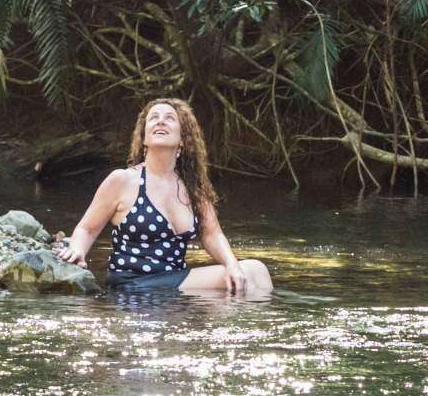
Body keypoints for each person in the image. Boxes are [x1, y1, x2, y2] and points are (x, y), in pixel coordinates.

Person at [55, 98, 273, 298]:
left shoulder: (193, 190)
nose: (161, 122)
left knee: (250, 273)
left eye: (169, 118)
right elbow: (87, 229)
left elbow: (212, 234)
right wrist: (77, 250)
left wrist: (232, 264)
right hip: (132, 284)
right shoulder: (123, 180)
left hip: (173, 287)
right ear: (143, 139)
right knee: (255, 272)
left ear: (183, 141)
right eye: (154, 118)